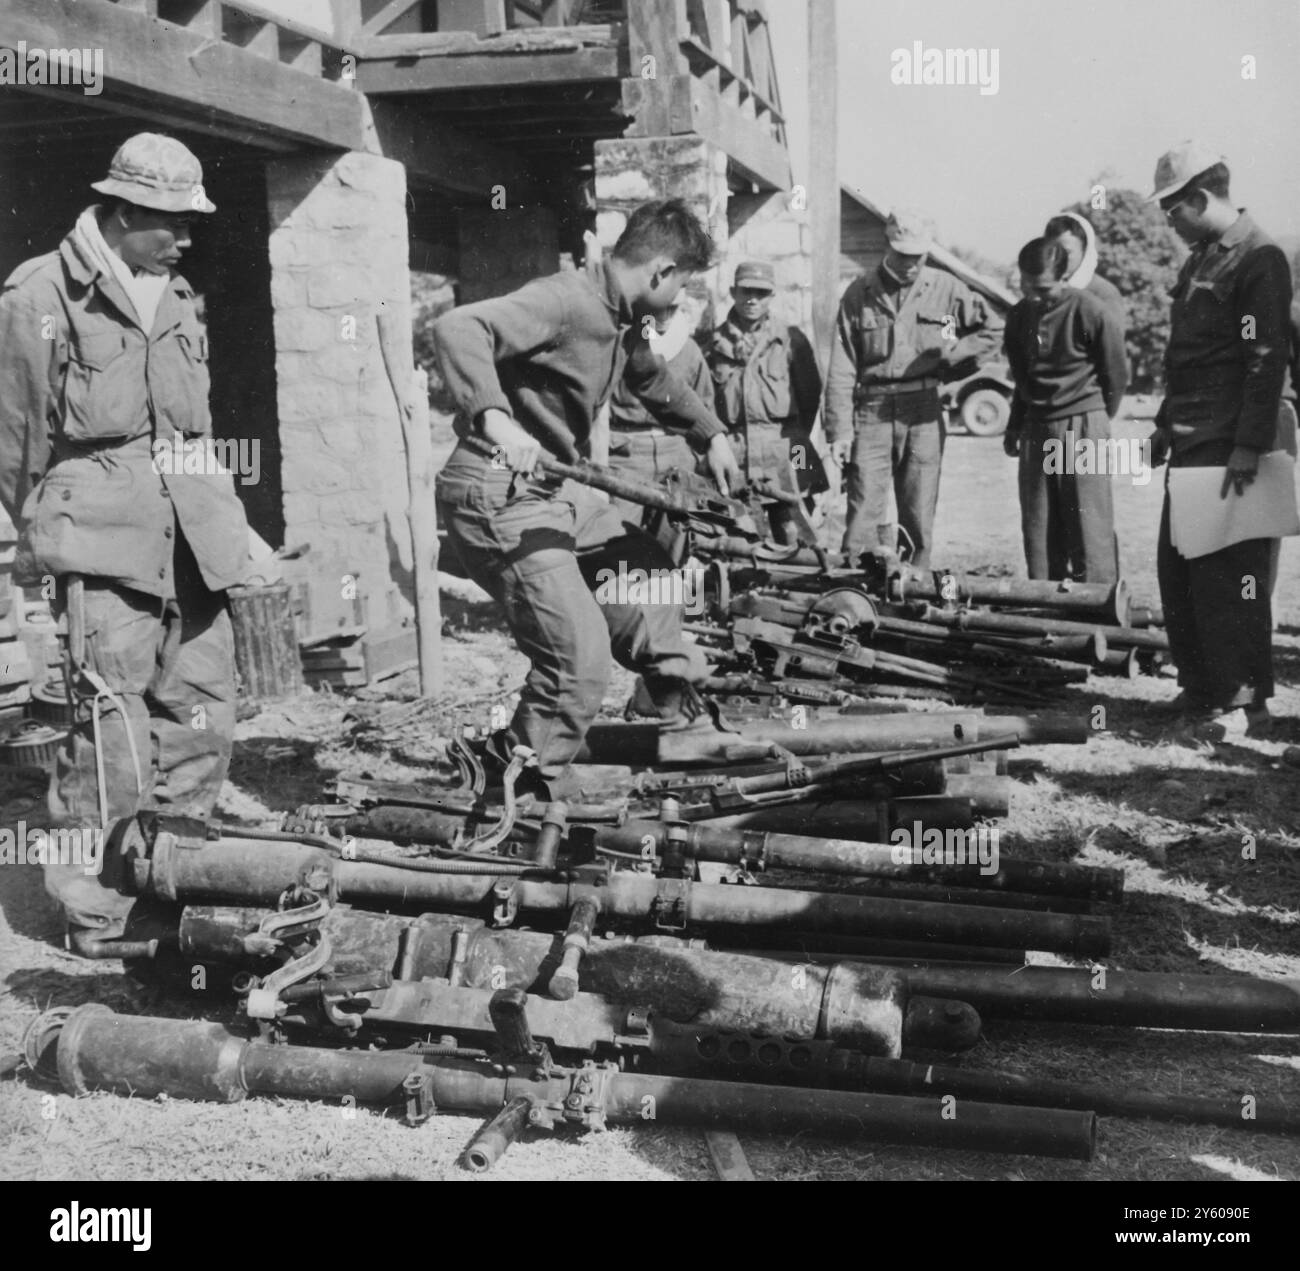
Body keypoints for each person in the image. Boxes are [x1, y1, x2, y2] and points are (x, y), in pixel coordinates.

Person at [0, 133, 250, 944]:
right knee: (106, 730)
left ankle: (172, 875)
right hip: (101, 540)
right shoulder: (39, 296)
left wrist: (235, 527)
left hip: (193, 534)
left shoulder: (173, 294)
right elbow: (18, 445)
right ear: (121, 210)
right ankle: (98, 906)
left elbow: (197, 426)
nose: (186, 237)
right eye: (171, 221)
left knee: (202, 709)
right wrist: (56, 534)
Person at [432, 199, 740, 785]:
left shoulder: (622, 320)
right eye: (683, 283)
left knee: (647, 576)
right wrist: (497, 421)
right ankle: (510, 786)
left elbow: (650, 376)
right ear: (659, 272)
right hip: (496, 491)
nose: (681, 299)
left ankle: (681, 716)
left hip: (552, 489)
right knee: (579, 659)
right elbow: (457, 327)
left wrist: (712, 435)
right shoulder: (567, 300)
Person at [1147, 141, 1295, 741]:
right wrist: (1162, 423)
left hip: (1229, 442)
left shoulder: (1259, 259)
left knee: (1232, 576)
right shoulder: (1202, 259)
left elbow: (1266, 360)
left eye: (1172, 210)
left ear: (1202, 198)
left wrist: (1246, 444)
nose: (1169, 223)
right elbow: (1185, 357)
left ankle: (1241, 703)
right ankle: (1202, 687)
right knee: (1180, 568)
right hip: (1190, 439)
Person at [825, 210, 1003, 569]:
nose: (911, 263)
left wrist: (954, 361)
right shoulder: (860, 292)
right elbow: (842, 365)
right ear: (887, 245)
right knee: (863, 511)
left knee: (918, 511)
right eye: (903, 254)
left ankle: (912, 588)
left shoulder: (946, 287)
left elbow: (992, 329)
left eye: (918, 256)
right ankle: (857, 593)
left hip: (923, 408)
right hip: (871, 410)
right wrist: (839, 430)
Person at [1003, 237, 1128, 582]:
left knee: (1089, 524)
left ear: (1064, 277)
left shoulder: (1090, 310)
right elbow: (1021, 377)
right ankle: (1048, 610)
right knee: (1040, 526)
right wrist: (1015, 426)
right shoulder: (1018, 316)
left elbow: (1116, 374)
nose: (1034, 297)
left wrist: (1094, 420)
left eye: (1043, 289)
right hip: (1037, 427)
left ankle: (1097, 610)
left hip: (1084, 423)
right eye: (1026, 286)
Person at [707, 260, 826, 545]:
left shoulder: (790, 340)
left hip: (786, 448)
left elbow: (810, 398)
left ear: (772, 296)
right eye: (746, 291)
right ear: (733, 292)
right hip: (737, 454)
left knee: (796, 536)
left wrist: (793, 441)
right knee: (740, 538)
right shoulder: (712, 344)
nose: (752, 300)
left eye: (761, 293)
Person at [604, 290, 716, 526]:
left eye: (673, 308)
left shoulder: (689, 350)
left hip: (676, 455)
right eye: (659, 307)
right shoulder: (620, 344)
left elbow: (705, 406)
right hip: (626, 455)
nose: (665, 315)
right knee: (618, 537)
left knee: (675, 537)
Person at [1043, 212, 1126, 319]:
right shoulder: (1041, 290)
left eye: (1067, 252)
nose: (1057, 258)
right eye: (1051, 251)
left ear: (1084, 251)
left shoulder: (1104, 293)